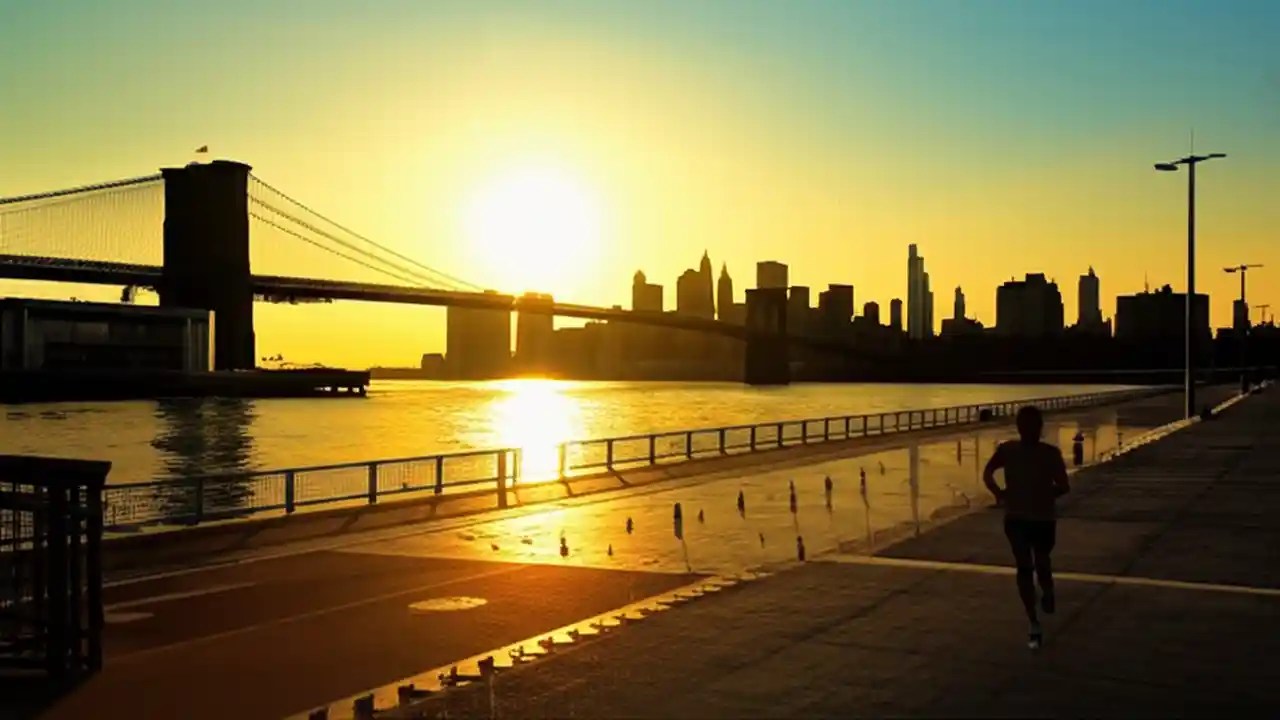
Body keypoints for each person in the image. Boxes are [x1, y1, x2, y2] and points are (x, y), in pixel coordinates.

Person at [982, 405, 1070, 649]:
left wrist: (1001, 492)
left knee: (1038, 563)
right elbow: (1063, 486)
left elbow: (1064, 486)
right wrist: (999, 493)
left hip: (1037, 518)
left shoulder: (1046, 453)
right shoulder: (1019, 451)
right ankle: (1033, 619)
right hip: (1021, 518)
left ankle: (1046, 593)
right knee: (1026, 566)